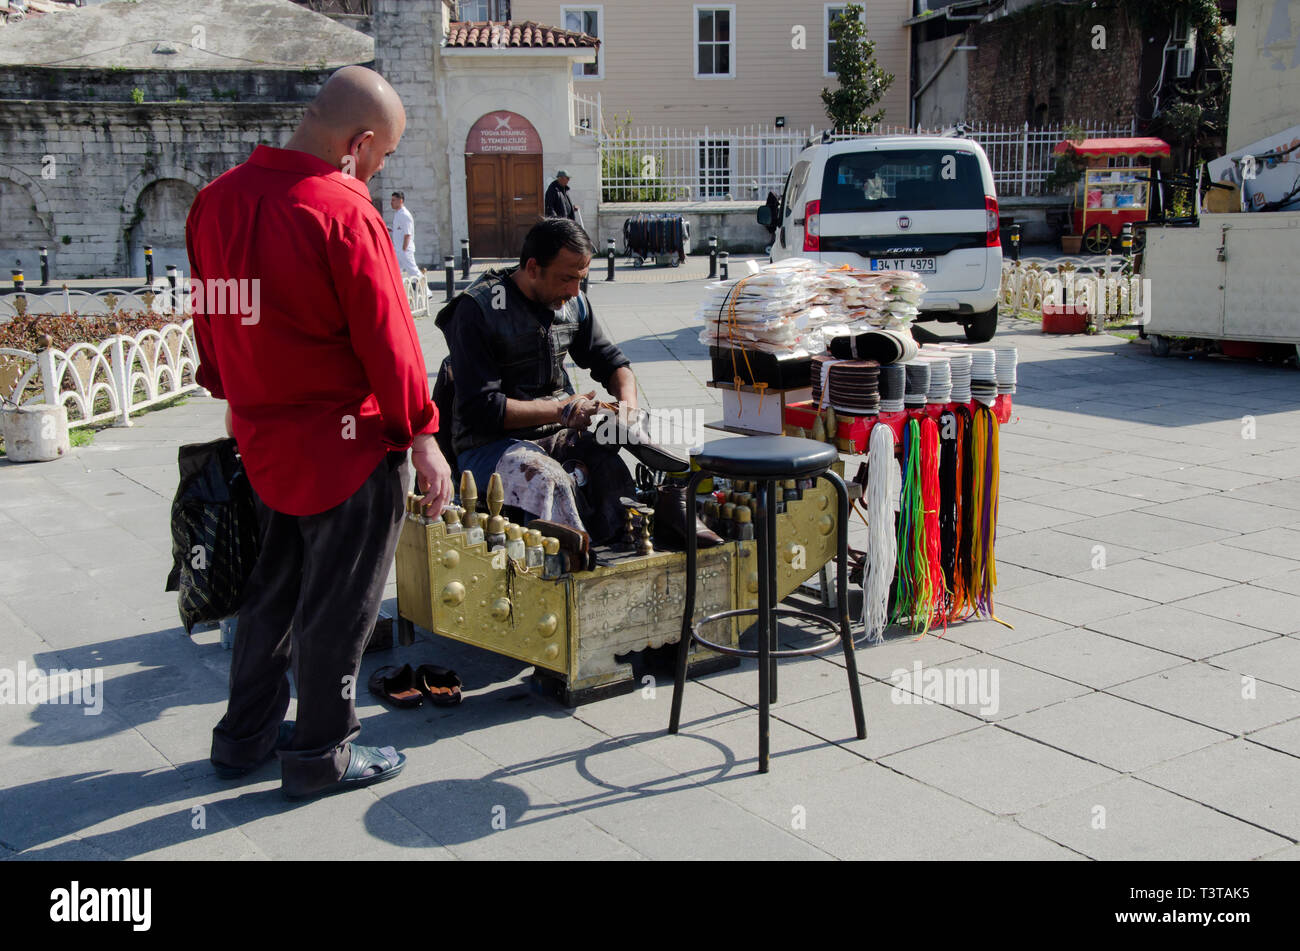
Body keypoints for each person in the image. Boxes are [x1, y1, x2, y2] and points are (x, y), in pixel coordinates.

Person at [186, 65, 453, 800]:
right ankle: (322, 751)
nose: (379, 167)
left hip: (263, 438)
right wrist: (421, 435)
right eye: (384, 155)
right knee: (340, 605)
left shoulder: (214, 202)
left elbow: (210, 325)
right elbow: (388, 339)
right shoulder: (342, 209)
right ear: (359, 142)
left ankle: (243, 737)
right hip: (349, 446)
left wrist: (238, 390)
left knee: (269, 594)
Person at [434, 217, 636, 544]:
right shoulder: (478, 309)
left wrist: (627, 407)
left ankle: (625, 558)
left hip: (557, 432)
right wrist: (560, 411)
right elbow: (481, 409)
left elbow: (611, 361)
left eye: (581, 279)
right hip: (488, 445)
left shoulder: (574, 303)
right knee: (546, 479)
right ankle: (562, 570)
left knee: (606, 466)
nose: (574, 291)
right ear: (532, 268)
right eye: (566, 279)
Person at [389, 190, 420, 276]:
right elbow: (400, 230)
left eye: (393, 200)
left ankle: (425, 289)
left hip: (404, 250)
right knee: (396, 273)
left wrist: (404, 249)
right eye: (391, 200)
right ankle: (400, 289)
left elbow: (407, 233)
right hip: (398, 249)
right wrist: (391, 229)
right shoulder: (398, 214)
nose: (391, 202)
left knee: (413, 271)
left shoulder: (405, 214)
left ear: (401, 201)